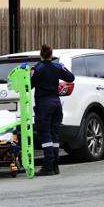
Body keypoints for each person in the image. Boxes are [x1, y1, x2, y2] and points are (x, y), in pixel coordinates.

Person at [31, 44, 75, 176]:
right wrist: (62, 68)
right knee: (55, 135)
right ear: (51, 54)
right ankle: (55, 166)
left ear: (41, 54)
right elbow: (71, 77)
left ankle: (48, 167)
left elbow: (29, 84)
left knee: (46, 135)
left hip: (44, 104)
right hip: (56, 103)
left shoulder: (38, 68)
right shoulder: (57, 66)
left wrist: (32, 72)